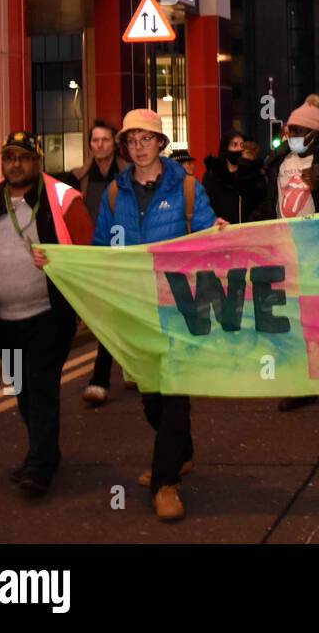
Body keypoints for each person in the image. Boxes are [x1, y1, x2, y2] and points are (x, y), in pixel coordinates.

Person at [92, 109, 225, 521]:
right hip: (136, 310)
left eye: (146, 139)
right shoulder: (115, 194)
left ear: (161, 143)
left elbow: (203, 233)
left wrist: (218, 231)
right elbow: (100, 248)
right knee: (151, 397)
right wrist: (60, 262)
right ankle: (181, 452)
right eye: (131, 141)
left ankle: (166, 483)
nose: (138, 147)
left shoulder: (186, 188)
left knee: (173, 396)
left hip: (178, 308)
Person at [0, 131, 94, 498]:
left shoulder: (62, 198)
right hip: (3, 320)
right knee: (25, 393)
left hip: (48, 315)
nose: (16, 164)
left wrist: (89, 305)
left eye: (24, 157)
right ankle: (45, 452)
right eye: (10, 157)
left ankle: (39, 468)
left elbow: (88, 252)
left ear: (38, 161)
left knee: (41, 388)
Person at [255, 97, 319, 411]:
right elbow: (264, 197)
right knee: (295, 318)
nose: (292, 135)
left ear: (314, 132)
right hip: (287, 250)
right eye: (289, 129)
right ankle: (301, 382)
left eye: (299, 130)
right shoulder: (278, 161)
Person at [66, 119, 129, 406]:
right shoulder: (77, 179)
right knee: (104, 317)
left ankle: (100, 378)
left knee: (114, 316)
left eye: (105, 140)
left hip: (124, 255)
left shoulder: (128, 175)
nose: (99, 145)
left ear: (114, 143)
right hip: (92, 255)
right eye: (95, 140)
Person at [202, 131, 266, 224]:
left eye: (241, 145)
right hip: (221, 230)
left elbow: (261, 203)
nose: (239, 149)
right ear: (225, 148)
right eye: (234, 145)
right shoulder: (213, 175)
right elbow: (205, 204)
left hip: (247, 232)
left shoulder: (254, 174)